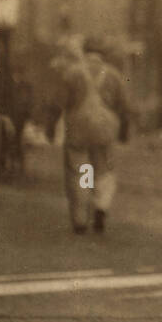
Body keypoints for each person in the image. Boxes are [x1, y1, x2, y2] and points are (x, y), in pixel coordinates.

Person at [53, 37, 132, 234]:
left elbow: (58, 103)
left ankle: (80, 219)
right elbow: (124, 106)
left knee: (79, 170)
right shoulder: (113, 75)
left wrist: (50, 126)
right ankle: (101, 207)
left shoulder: (72, 73)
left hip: (78, 126)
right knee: (104, 169)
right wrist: (124, 131)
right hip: (106, 127)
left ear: (84, 51)